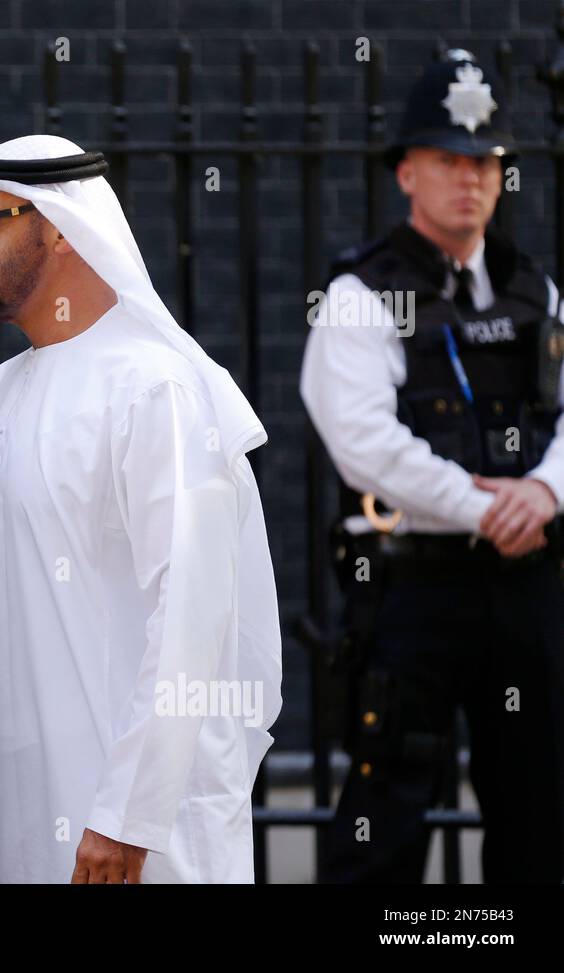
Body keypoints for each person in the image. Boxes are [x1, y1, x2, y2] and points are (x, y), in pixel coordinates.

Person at [0, 135, 283, 883]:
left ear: (58, 227)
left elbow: (189, 619)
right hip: (5, 806)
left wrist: (130, 814)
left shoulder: (158, 389)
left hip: (129, 835)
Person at [301, 50, 564, 883]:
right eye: (449, 160)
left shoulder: (534, 291)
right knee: (387, 814)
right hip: (412, 590)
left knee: (543, 812)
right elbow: (364, 442)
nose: (470, 180)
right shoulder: (363, 293)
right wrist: (488, 507)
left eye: (485, 163)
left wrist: (547, 491)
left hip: (528, 586)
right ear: (408, 172)